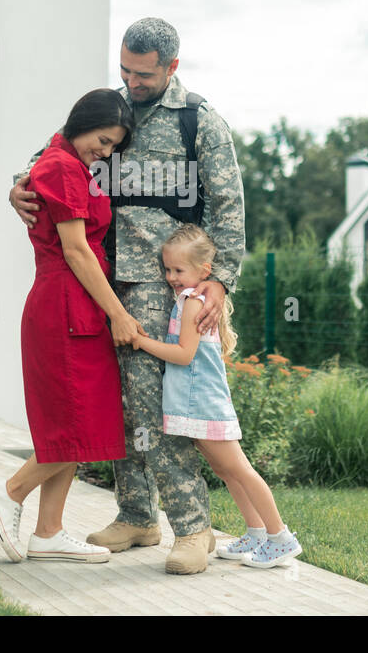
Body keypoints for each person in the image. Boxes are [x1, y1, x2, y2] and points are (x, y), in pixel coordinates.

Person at [9, 17, 246, 574]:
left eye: (142, 74)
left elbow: (228, 203)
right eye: (124, 70)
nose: (131, 82)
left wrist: (219, 279)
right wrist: (17, 187)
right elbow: (49, 160)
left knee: (157, 404)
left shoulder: (199, 120)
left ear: (172, 67)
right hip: (96, 281)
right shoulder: (108, 110)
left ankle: (192, 529)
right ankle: (137, 515)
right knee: (113, 405)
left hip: (159, 285)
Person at [0, 89, 140, 563]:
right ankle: (8, 491)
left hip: (74, 305)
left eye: (114, 146)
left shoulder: (65, 161)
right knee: (74, 425)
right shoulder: (63, 167)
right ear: (83, 122)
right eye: (104, 140)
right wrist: (119, 313)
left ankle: (48, 532)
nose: (106, 152)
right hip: (66, 303)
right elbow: (76, 251)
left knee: (77, 423)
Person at [130, 223, 303, 569]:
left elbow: (183, 355)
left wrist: (141, 341)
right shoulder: (188, 300)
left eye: (178, 270)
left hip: (204, 404)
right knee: (227, 471)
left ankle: (280, 537)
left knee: (240, 469)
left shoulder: (194, 304)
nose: (171, 276)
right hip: (197, 403)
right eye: (167, 269)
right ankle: (256, 533)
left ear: (204, 271)